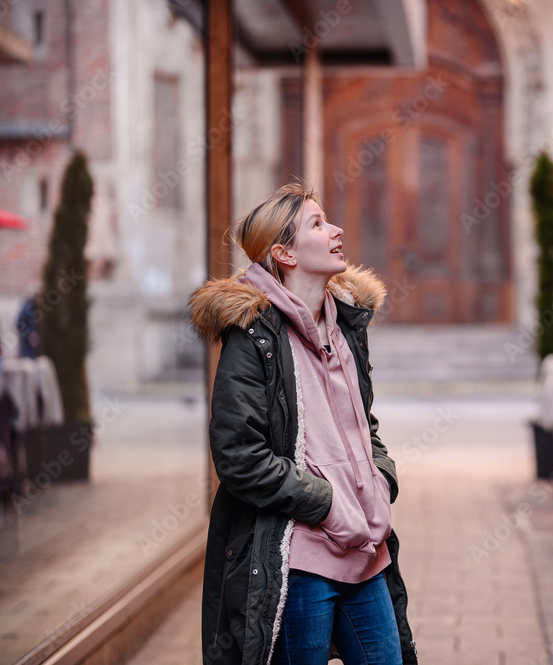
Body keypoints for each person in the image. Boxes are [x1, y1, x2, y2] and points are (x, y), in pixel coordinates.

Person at [188, 182, 416, 665]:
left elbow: (363, 423)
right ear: (284, 253)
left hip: (366, 553)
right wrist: (328, 504)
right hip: (300, 559)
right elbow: (238, 458)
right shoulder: (253, 336)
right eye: (317, 224)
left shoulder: (346, 324)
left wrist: (380, 478)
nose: (336, 230)